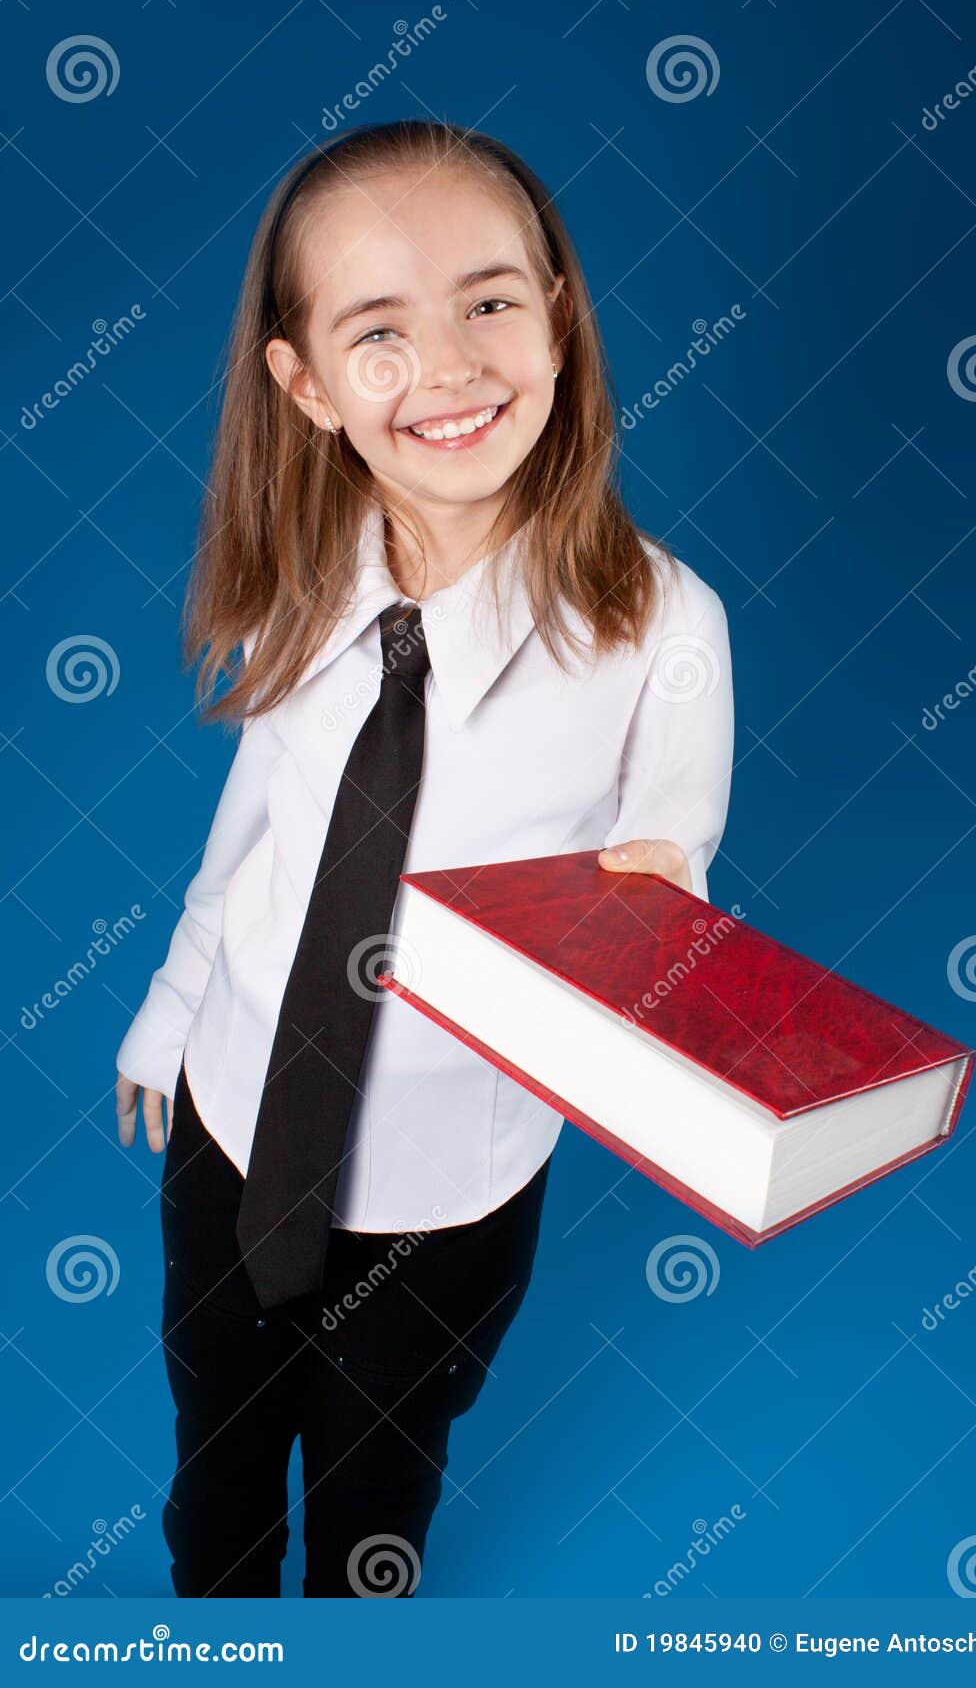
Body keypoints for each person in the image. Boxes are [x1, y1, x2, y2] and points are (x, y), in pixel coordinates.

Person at [113, 118, 734, 1598]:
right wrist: (170, 1008)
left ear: (559, 318)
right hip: (234, 1125)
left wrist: (651, 908)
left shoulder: (665, 628)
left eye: (490, 302)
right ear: (307, 386)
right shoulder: (307, 574)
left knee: (378, 1495)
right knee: (216, 1461)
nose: (449, 367)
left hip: (449, 1182)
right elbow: (256, 826)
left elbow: (671, 861)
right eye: (379, 332)